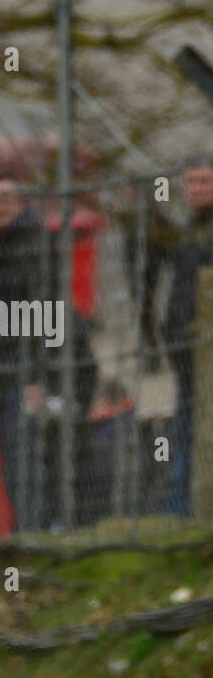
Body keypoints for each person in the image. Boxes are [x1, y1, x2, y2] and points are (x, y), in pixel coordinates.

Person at [0, 179, 49, 530]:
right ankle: (26, 527)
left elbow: (44, 309)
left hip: (25, 367)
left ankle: (36, 527)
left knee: (26, 453)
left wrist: (37, 375)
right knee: (10, 453)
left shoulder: (32, 245)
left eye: (5, 199)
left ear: (22, 202)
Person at [155, 156, 213, 516]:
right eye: (191, 182)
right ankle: (180, 509)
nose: (196, 189)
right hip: (184, 346)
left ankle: (184, 509)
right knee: (185, 425)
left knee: (195, 426)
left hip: (203, 346)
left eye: (204, 182)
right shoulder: (190, 229)